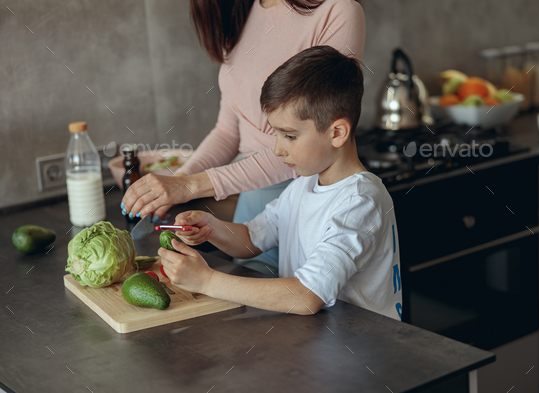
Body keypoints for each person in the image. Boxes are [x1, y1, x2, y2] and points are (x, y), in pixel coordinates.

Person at [158, 46, 402, 320]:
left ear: (337, 133)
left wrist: (207, 282)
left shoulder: (360, 201)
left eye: (289, 136)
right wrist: (211, 228)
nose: (277, 149)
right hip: (320, 345)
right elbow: (253, 238)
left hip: (362, 354)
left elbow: (306, 297)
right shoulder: (304, 185)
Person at [120, 0, 366, 272]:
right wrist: (178, 184)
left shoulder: (337, 10)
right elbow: (228, 132)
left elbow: (308, 144)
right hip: (251, 199)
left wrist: (191, 185)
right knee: (252, 305)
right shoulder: (237, 13)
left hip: (307, 194)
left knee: (311, 305)